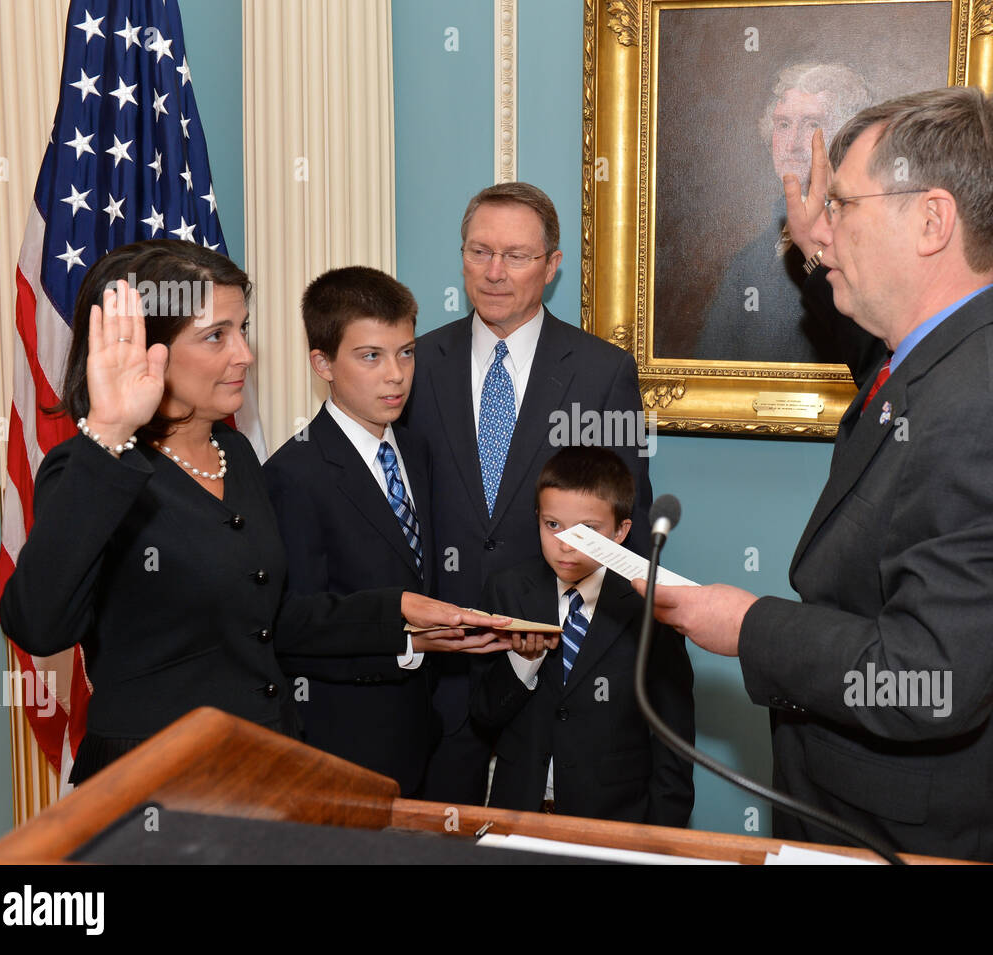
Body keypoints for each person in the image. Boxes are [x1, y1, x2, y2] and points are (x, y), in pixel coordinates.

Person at [640, 87, 993, 864]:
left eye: (844, 204)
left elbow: (930, 676)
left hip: (904, 840)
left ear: (931, 220)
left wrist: (748, 626)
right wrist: (821, 249)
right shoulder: (974, 336)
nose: (829, 225)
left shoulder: (985, 407)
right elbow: (888, 371)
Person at [0, 240, 510, 785]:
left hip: (265, 765)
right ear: (148, 349)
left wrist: (398, 616)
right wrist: (109, 435)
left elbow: (268, 621)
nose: (245, 354)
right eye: (217, 336)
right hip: (156, 786)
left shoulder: (235, 454)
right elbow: (38, 624)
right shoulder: (90, 466)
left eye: (242, 330)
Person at [403, 181, 654, 806]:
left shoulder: (602, 372)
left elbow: (628, 528)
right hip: (439, 667)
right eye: (478, 251)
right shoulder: (415, 364)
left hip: (552, 670)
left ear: (552, 264)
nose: (493, 272)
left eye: (516, 255)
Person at [263, 267, 437, 794]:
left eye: (406, 352)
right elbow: (294, 625)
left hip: (422, 730)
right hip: (343, 741)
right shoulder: (293, 473)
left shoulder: (416, 449)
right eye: (371, 356)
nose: (396, 375)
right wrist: (407, 638)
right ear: (323, 364)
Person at [470, 447, 694, 825]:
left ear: (621, 531)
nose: (565, 544)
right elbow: (483, 713)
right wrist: (522, 665)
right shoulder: (507, 591)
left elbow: (674, 741)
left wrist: (660, 840)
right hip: (517, 813)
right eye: (552, 525)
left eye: (587, 531)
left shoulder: (652, 607)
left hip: (613, 821)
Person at [693, 62, 870, 364]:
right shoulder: (750, 261)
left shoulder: (871, 242)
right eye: (783, 125)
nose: (792, 145)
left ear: (844, 133)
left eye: (812, 124)